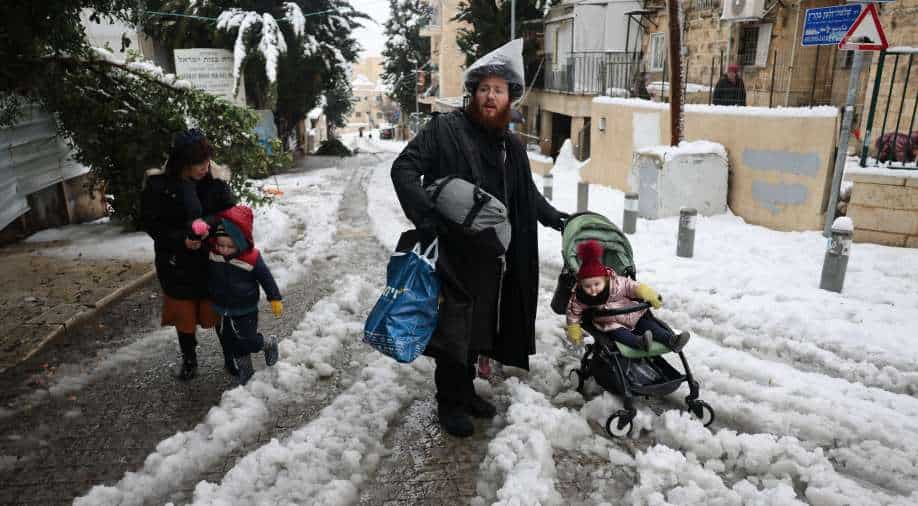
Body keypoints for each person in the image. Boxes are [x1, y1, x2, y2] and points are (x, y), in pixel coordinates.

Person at [391, 39, 568, 438]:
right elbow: (403, 169)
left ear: (509, 98)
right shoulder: (444, 130)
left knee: (479, 328)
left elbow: (525, 192)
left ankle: (466, 390)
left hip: (491, 255)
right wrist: (426, 216)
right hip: (453, 250)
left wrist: (552, 217)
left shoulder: (511, 145)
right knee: (454, 326)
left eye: (499, 90)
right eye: (484, 88)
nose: (491, 96)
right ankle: (449, 400)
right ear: (473, 92)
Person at [140, 129, 236, 380]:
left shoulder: (215, 182)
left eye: (207, 160)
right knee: (184, 314)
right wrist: (181, 239)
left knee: (218, 312)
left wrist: (207, 225)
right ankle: (190, 360)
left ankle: (231, 357)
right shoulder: (158, 186)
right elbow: (153, 225)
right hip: (176, 263)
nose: (205, 167)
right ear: (182, 162)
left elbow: (229, 213)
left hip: (211, 259)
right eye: (198, 163)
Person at [203, 204, 283, 385]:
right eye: (221, 245)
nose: (223, 250)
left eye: (229, 246)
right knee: (231, 342)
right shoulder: (214, 254)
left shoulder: (251, 258)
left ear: (240, 242)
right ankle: (246, 370)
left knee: (248, 340)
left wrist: (274, 298)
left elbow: (266, 278)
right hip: (222, 308)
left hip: (245, 307)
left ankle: (267, 344)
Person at [565, 240, 690, 352]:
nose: (593, 289)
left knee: (649, 325)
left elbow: (632, 286)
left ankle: (672, 340)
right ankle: (639, 343)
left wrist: (648, 293)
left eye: (597, 284)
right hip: (610, 323)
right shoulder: (581, 296)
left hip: (632, 315)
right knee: (619, 333)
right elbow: (573, 312)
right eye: (588, 286)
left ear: (605, 279)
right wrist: (574, 330)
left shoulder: (617, 283)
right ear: (581, 285)